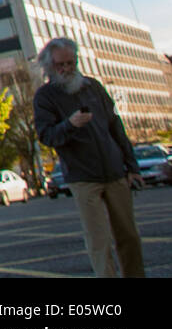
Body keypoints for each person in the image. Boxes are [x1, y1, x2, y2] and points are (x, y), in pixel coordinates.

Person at [34, 36, 145, 277]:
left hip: (115, 172)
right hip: (83, 178)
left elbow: (116, 127)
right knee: (99, 240)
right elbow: (47, 136)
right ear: (49, 67)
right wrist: (70, 125)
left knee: (129, 236)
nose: (66, 69)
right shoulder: (45, 97)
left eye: (70, 63)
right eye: (60, 65)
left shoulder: (93, 87)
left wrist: (132, 166)